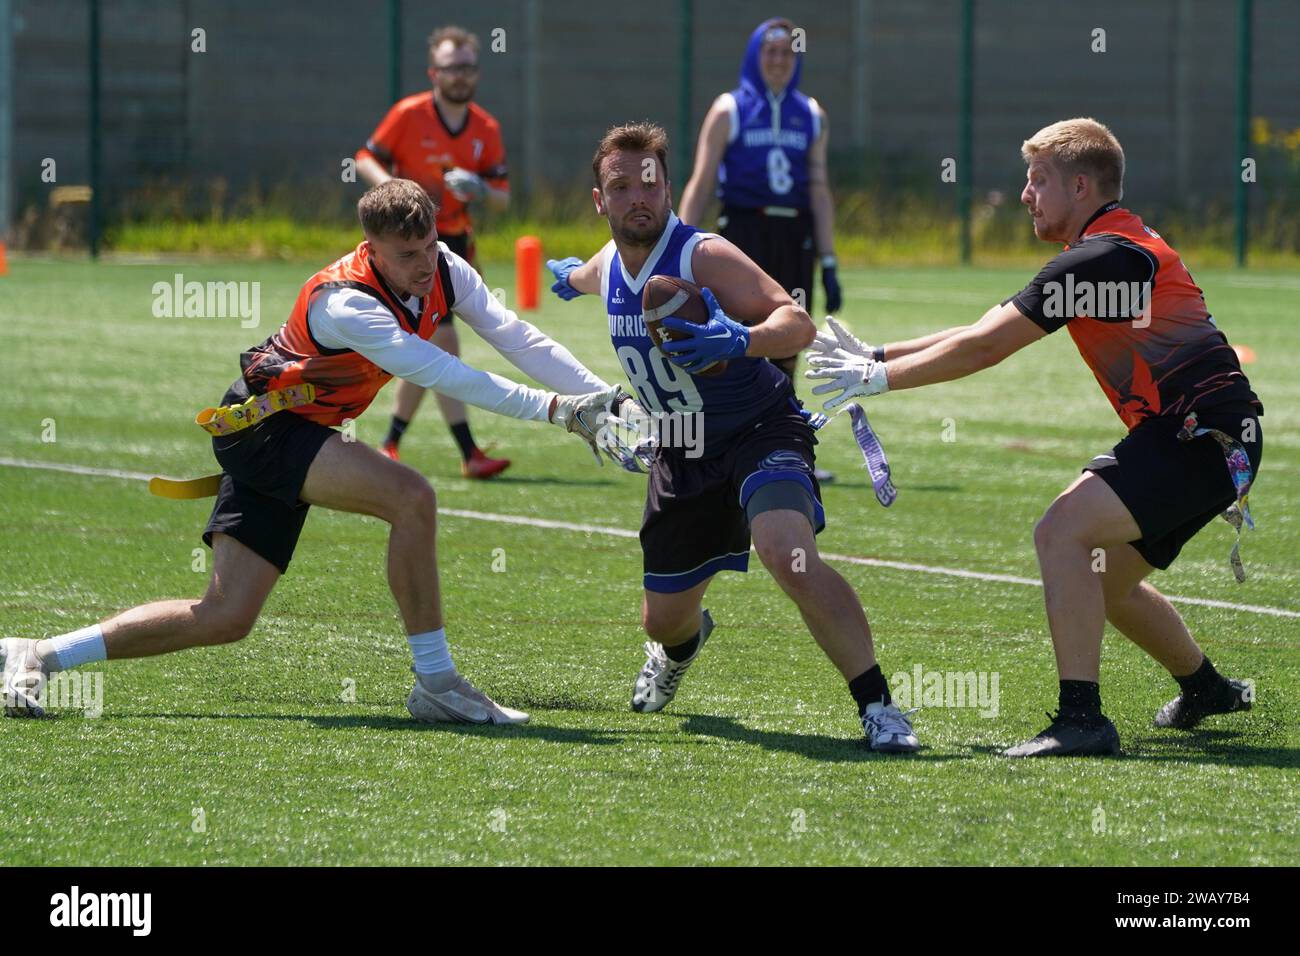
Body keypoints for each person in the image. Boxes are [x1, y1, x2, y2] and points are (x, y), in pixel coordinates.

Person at [2, 179, 627, 725]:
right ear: (370, 249)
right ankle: (437, 683)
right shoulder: (347, 303)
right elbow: (440, 371)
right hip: (267, 430)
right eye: (405, 255)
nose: (423, 265)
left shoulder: (443, 267)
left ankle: (39, 652)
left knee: (225, 616)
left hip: (293, 433)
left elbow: (517, 335)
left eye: (430, 246)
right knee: (412, 499)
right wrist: (556, 411)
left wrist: (603, 399)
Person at [806, 118, 1262, 757]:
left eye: (1038, 179)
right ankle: (1206, 688)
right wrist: (878, 354)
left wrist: (877, 379)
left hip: (1200, 438)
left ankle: (1082, 721)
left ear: (1080, 186)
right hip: (1210, 438)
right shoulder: (1110, 248)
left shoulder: (1105, 256)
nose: (1025, 194)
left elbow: (986, 347)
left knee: (1061, 533)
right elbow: (981, 327)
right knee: (1100, 579)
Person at [547, 123, 919, 752]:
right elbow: (589, 272)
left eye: (649, 184)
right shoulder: (608, 262)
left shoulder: (702, 255)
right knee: (662, 621)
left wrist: (741, 339)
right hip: (680, 449)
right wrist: (567, 276)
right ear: (599, 200)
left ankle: (879, 707)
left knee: (787, 553)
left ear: (667, 187)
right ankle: (681, 649)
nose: (637, 197)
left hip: (758, 429)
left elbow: (795, 321)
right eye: (620, 186)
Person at [678, 17, 842, 482]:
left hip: (793, 236)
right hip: (743, 234)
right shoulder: (729, 108)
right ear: (755, 55)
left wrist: (829, 260)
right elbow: (703, 179)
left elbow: (818, 186)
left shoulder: (810, 112)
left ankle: (785, 443)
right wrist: (681, 241)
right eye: (770, 52)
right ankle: (727, 439)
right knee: (739, 336)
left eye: (787, 53)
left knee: (788, 340)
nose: (778, 61)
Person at [356, 25, 512, 478]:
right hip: (409, 246)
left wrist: (479, 186)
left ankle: (391, 443)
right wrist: (396, 189)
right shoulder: (408, 114)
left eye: (467, 67)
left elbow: (502, 197)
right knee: (442, 342)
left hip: (455, 244)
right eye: (450, 68)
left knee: (432, 343)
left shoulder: (487, 127)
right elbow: (364, 156)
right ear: (433, 72)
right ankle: (467, 453)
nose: (460, 76)